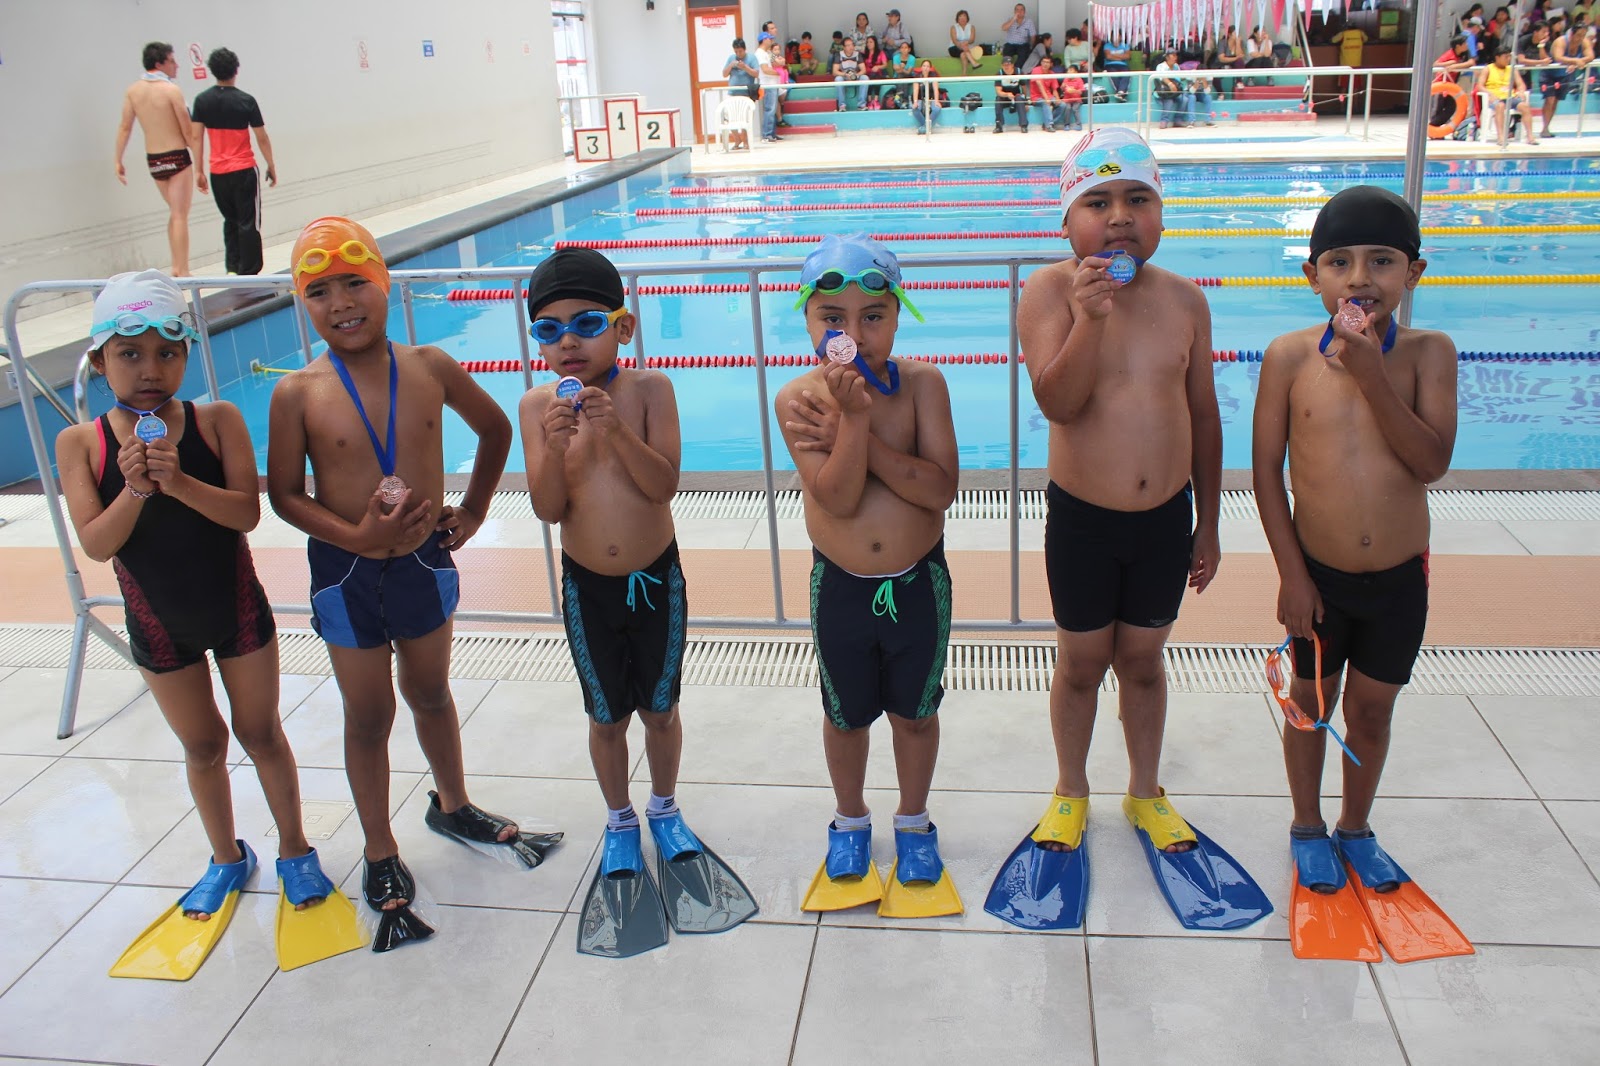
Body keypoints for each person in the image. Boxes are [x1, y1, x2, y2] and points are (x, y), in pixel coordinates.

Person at [986, 128, 1260, 936]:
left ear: (1160, 213)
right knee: (1080, 666)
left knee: (1143, 662)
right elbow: (1058, 402)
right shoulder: (1046, 293)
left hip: (1165, 521)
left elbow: (1203, 414)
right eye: (1097, 202)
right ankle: (1071, 791)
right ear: (1066, 221)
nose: (1118, 217)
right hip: (1083, 520)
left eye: (1138, 199)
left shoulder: (1185, 301)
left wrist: (1210, 521)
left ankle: (1145, 791)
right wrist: (1088, 316)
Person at [58, 269, 359, 979]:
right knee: (202, 745)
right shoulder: (82, 444)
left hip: (236, 609)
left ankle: (295, 849)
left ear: (187, 354)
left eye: (167, 353)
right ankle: (226, 856)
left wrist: (178, 480)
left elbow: (246, 514)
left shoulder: (216, 421)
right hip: (158, 624)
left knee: (261, 733)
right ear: (99, 361)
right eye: (129, 354)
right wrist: (136, 488)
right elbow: (97, 544)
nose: (150, 370)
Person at [266, 217, 538, 954]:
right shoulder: (297, 392)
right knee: (368, 714)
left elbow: (495, 430)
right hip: (347, 572)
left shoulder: (429, 366)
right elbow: (284, 494)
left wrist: (474, 510)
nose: (341, 302)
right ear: (302, 303)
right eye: (319, 291)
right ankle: (380, 846)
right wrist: (355, 536)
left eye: (356, 282)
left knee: (430, 692)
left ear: (385, 285)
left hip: (422, 562)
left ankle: (453, 804)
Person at [518, 248, 756, 957]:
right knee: (605, 715)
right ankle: (620, 819)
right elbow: (547, 509)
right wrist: (555, 448)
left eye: (587, 324)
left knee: (659, 708)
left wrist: (615, 430)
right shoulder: (536, 407)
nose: (568, 341)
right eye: (550, 330)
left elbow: (662, 486)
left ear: (623, 327)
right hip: (586, 586)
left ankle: (664, 808)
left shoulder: (651, 390)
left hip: (657, 580)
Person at [1253, 186, 1466, 963]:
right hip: (1319, 576)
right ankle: (1308, 825)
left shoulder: (1429, 354)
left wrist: (1373, 372)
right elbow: (1266, 474)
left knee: (1372, 714)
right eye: (1340, 262)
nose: (1360, 278)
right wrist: (1291, 575)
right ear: (1313, 275)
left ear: (1414, 272)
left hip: (1400, 578)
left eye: (1381, 261)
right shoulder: (1287, 358)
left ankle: (1355, 826)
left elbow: (1431, 462)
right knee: (1310, 709)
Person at [775, 234, 961, 920]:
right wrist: (852, 419)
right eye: (833, 318)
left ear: (897, 316)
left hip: (918, 586)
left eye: (873, 317)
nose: (852, 335)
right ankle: (850, 819)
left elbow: (939, 489)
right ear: (807, 321)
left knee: (916, 715)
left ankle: (913, 821)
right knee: (844, 716)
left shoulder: (924, 386)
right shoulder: (797, 398)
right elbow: (839, 499)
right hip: (841, 588)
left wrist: (862, 434)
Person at [190, 48, 277, 276]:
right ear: (235, 70)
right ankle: (250, 270)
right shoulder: (246, 100)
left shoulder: (202, 101)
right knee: (248, 222)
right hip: (244, 169)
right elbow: (261, 137)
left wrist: (198, 170)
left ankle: (232, 267)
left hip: (218, 172)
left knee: (230, 219)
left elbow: (196, 137)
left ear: (212, 70)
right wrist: (270, 164)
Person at [113, 43, 197, 277]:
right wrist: (199, 160)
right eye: (172, 60)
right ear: (159, 63)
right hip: (176, 155)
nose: (176, 65)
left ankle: (176, 265)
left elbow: (124, 127)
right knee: (180, 214)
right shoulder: (171, 91)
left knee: (174, 212)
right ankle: (183, 269)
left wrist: (118, 159)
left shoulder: (133, 91)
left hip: (155, 160)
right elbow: (187, 129)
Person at [1476, 46, 1540, 145]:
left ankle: (1530, 137)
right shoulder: (1488, 69)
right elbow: (1480, 85)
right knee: (1500, 106)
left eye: (1509, 57)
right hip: (1495, 98)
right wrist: (1490, 94)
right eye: (1506, 57)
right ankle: (1501, 137)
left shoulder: (1512, 69)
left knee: (1525, 106)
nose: (1508, 59)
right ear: (1497, 57)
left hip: (1510, 97)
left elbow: (1521, 84)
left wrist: (1521, 91)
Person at [1549, 14, 1596, 132]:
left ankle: (1546, 127)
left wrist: (1577, 62)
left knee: (1555, 101)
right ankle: (1545, 128)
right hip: (1550, 73)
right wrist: (1575, 61)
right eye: (1579, 35)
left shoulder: (1584, 41)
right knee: (1549, 100)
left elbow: (1590, 56)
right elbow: (1558, 57)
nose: (1581, 38)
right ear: (1572, 34)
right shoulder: (1561, 41)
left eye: (1583, 35)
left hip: (1564, 75)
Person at [756, 32, 783, 142]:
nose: (771, 41)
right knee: (770, 109)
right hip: (768, 84)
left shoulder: (767, 53)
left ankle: (772, 133)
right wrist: (779, 73)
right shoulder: (760, 53)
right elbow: (765, 69)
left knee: (773, 109)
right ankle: (767, 134)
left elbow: (778, 63)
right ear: (764, 40)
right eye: (769, 39)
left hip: (773, 84)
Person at [1155, 49, 1192, 128]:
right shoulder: (1161, 66)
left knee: (1184, 99)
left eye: (1176, 55)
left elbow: (1179, 78)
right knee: (1169, 101)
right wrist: (1170, 84)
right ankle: (1164, 121)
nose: (1175, 57)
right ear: (1167, 57)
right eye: (1173, 55)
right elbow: (1162, 77)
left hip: (1175, 92)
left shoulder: (1176, 66)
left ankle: (1178, 120)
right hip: (1164, 92)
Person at [1029, 54, 1067, 131]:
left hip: (1049, 96)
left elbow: (1054, 89)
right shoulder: (1036, 70)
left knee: (1062, 105)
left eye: (1047, 62)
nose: (1045, 64)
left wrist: (1057, 99)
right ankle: (1049, 125)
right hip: (1036, 97)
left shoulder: (1052, 73)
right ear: (1041, 62)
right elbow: (1039, 85)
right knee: (1045, 103)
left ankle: (1048, 123)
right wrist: (1046, 98)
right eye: (1043, 62)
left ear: (1051, 64)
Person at [994, 54, 1030, 132]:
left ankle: (1023, 125)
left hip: (1016, 96)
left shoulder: (1019, 72)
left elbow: (1024, 88)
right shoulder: (999, 73)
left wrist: (1026, 102)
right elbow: (998, 92)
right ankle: (999, 126)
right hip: (1004, 97)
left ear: (1012, 65)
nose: (1006, 67)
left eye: (1008, 64)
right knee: (998, 100)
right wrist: (1007, 94)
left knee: (1019, 98)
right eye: (1004, 65)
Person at [834, 36, 870, 111]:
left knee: (865, 78)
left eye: (852, 45)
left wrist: (857, 75)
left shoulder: (858, 54)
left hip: (855, 76)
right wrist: (844, 74)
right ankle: (842, 106)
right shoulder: (839, 55)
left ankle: (861, 105)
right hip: (844, 76)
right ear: (843, 47)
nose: (851, 47)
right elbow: (835, 71)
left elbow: (863, 70)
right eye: (848, 45)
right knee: (838, 79)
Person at [1002, 4, 1038, 72]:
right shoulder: (1010, 20)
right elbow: (1003, 28)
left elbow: (1033, 36)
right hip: (1010, 44)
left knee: (1023, 57)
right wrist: (1013, 19)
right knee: (1006, 58)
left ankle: (1015, 72)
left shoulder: (1029, 21)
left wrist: (1032, 46)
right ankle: (1007, 72)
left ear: (1024, 12)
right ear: (1014, 11)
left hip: (1023, 45)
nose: (1019, 12)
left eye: (1021, 10)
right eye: (1017, 10)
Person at [910, 59, 943, 133]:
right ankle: (927, 127)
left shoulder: (933, 75)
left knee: (937, 109)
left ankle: (924, 128)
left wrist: (936, 101)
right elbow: (915, 89)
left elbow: (935, 89)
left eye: (928, 66)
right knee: (915, 109)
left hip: (931, 98)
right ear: (921, 67)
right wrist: (915, 102)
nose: (925, 68)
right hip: (919, 98)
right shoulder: (917, 76)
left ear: (930, 68)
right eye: (924, 66)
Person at [724, 37, 760, 102]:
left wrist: (745, 67)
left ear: (745, 49)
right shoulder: (731, 58)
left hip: (747, 94)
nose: (738, 54)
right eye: (736, 52)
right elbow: (724, 74)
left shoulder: (752, 58)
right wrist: (730, 65)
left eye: (740, 51)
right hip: (732, 93)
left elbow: (756, 74)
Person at [861, 35, 891, 107]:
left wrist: (878, 67)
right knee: (868, 77)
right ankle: (869, 101)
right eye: (867, 42)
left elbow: (885, 65)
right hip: (867, 73)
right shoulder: (864, 53)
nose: (869, 44)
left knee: (875, 76)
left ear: (875, 43)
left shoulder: (880, 53)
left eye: (871, 42)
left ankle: (875, 100)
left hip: (878, 73)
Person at [950, 9, 982, 74]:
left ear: (967, 18)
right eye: (960, 16)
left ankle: (964, 74)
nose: (962, 18)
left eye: (964, 16)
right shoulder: (953, 27)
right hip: (954, 47)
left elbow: (972, 40)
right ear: (957, 19)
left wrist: (966, 43)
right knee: (964, 51)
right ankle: (974, 63)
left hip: (967, 48)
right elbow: (954, 41)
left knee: (963, 54)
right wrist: (962, 46)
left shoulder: (972, 27)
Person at [1104, 34, 1133, 100]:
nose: (1115, 38)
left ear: (1120, 37)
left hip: (1123, 65)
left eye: (1117, 36)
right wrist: (1121, 57)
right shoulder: (1107, 45)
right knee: (1114, 74)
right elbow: (1108, 56)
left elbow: (1128, 56)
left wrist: (1113, 56)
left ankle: (1120, 92)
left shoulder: (1125, 45)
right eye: (1113, 36)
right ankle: (1121, 92)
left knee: (1126, 74)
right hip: (1110, 65)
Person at [1060, 63, 1086, 131]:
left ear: (1076, 72)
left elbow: (1081, 92)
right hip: (1067, 99)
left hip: (1076, 99)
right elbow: (1062, 89)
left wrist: (1074, 91)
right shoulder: (1066, 79)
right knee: (1067, 108)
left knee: (1075, 109)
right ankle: (1066, 124)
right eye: (1068, 70)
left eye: (1071, 70)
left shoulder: (1079, 79)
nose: (1069, 72)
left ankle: (1079, 124)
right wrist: (1062, 86)